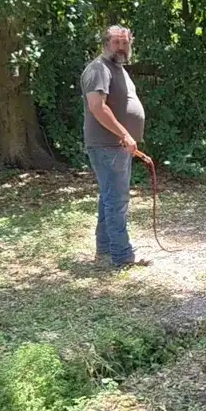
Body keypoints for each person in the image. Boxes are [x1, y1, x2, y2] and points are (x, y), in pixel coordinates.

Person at [81, 25, 150, 269]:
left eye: (125, 43)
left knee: (109, 197)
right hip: (107, 145)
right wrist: (124, 134)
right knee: (116, 200)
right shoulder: (98, 69)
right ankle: (122, 256)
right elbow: (97, 107)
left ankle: (105, 249)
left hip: (116, 145)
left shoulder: (117, 69)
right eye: (116, 42)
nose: (121, 47)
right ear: (105, 43)